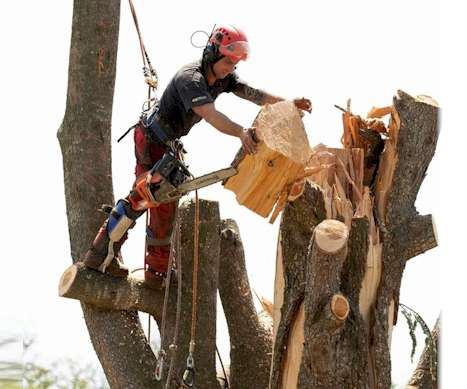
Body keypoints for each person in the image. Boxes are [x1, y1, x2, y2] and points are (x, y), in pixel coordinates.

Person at [83, 24, 312, 289]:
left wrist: (288, 103)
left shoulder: (226, 78)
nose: (231, 68)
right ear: (213, 55)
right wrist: (241, 132)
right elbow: (211, 115)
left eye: (235, 63)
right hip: (151, 139)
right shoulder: (190, 79)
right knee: (145, 196)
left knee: (164, 203)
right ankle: (100, 253)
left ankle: (157, 274)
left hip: (167, 142)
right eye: (228, 61)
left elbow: (254, 95)